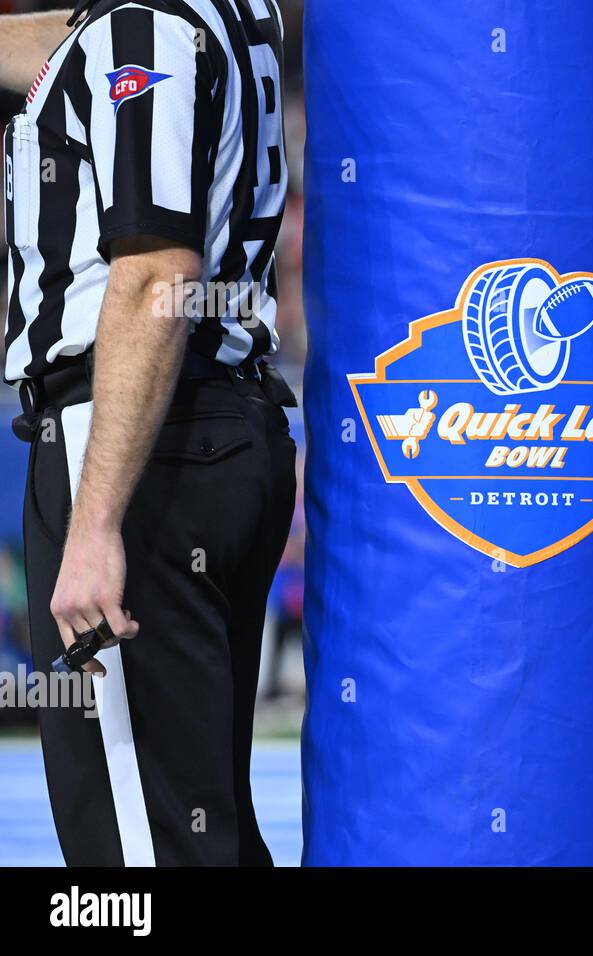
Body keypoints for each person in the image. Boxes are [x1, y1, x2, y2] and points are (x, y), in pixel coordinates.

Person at [1, 0, 295, 865]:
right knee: (202, 822)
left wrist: (93, 524)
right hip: (225, 420)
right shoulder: (220, 12)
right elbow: (76, 43)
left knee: (138, 853)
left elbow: (157, 272)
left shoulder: (145, 25)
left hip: (133, 432)